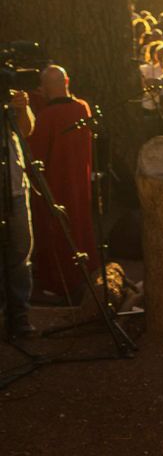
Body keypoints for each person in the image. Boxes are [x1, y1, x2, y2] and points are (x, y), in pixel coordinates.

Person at [28, 65, 97, 302]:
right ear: (67, 81)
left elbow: (35, 156)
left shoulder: (47, 116)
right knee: (81, 225)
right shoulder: (82, 108)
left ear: (45, 88)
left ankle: (57, 282)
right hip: (79, 182)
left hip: (55, 185)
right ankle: (83, 274)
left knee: (55, 230)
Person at [1, 87, 35, 337]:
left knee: (21, 250)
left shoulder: (9, 93)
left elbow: (26, 129)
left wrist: (22, 107)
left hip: (14, 185)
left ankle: (19, 313)